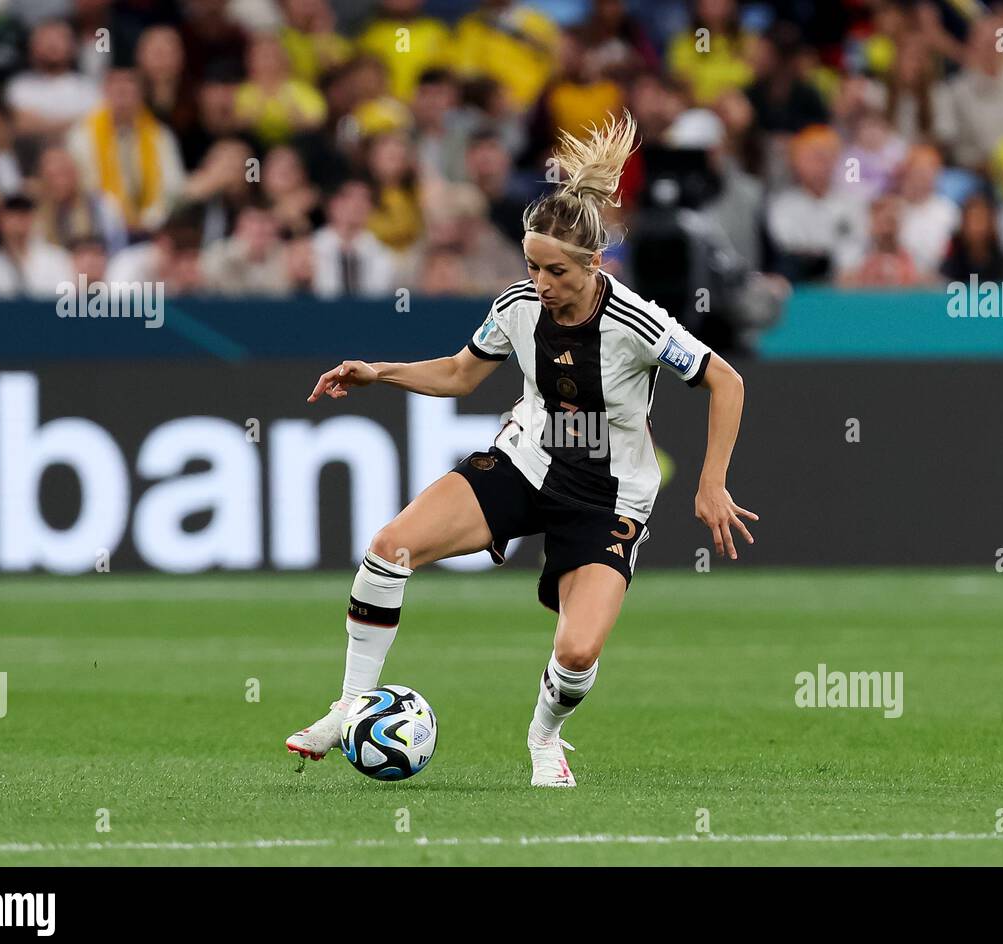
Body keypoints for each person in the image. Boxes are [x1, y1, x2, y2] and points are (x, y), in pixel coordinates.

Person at [286, 111, 756, 787]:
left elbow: (726, 381)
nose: (541, 282)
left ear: (593, 265)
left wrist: (712, 483)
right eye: (532, 266)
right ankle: (346, 709)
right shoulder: (516, 305)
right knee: (389, 549)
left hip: (608, 498)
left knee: (578, 649)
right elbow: (458, 373)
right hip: (526, 463)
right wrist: (377, 371)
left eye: (556, 271)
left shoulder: (636, 321)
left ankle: (545, 737)